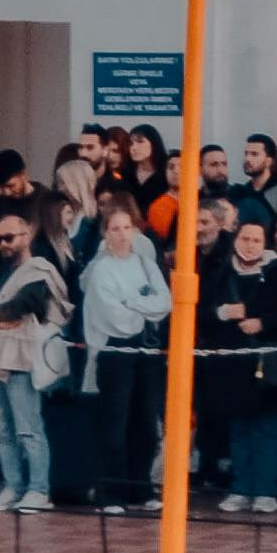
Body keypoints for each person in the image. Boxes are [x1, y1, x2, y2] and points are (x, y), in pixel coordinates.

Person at [0, 207, 70, 513]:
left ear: (26, 235)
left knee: (28, 427)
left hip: (21, 358)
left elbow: (22, 305)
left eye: (9, 238)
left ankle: (39, 488)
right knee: (2, 430)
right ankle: (12, 486)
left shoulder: (40, 269)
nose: (3, 244)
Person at [81, 200, 173, 513]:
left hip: (145, 351)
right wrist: (141, 306)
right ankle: (111, 492)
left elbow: (164, 302)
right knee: (115, 422)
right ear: (105, 233)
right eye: (115, 229)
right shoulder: (101, 270)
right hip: (115, 350)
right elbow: (113, 316)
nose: (121, 235)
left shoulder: (145, 263)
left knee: (145, 422)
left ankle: (141, 487)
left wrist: (132, 302)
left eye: (126, 228)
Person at [201, 210, 277, 513]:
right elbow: (201, 313)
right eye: (245, 238)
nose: (250, 245)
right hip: (231, 366)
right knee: (238, 430)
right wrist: (223, 313)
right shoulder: (220, 271)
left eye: (256, 240)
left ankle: (266, 490)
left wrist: (262, 322)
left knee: (267, 429)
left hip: (267, 363)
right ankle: (240, 488)